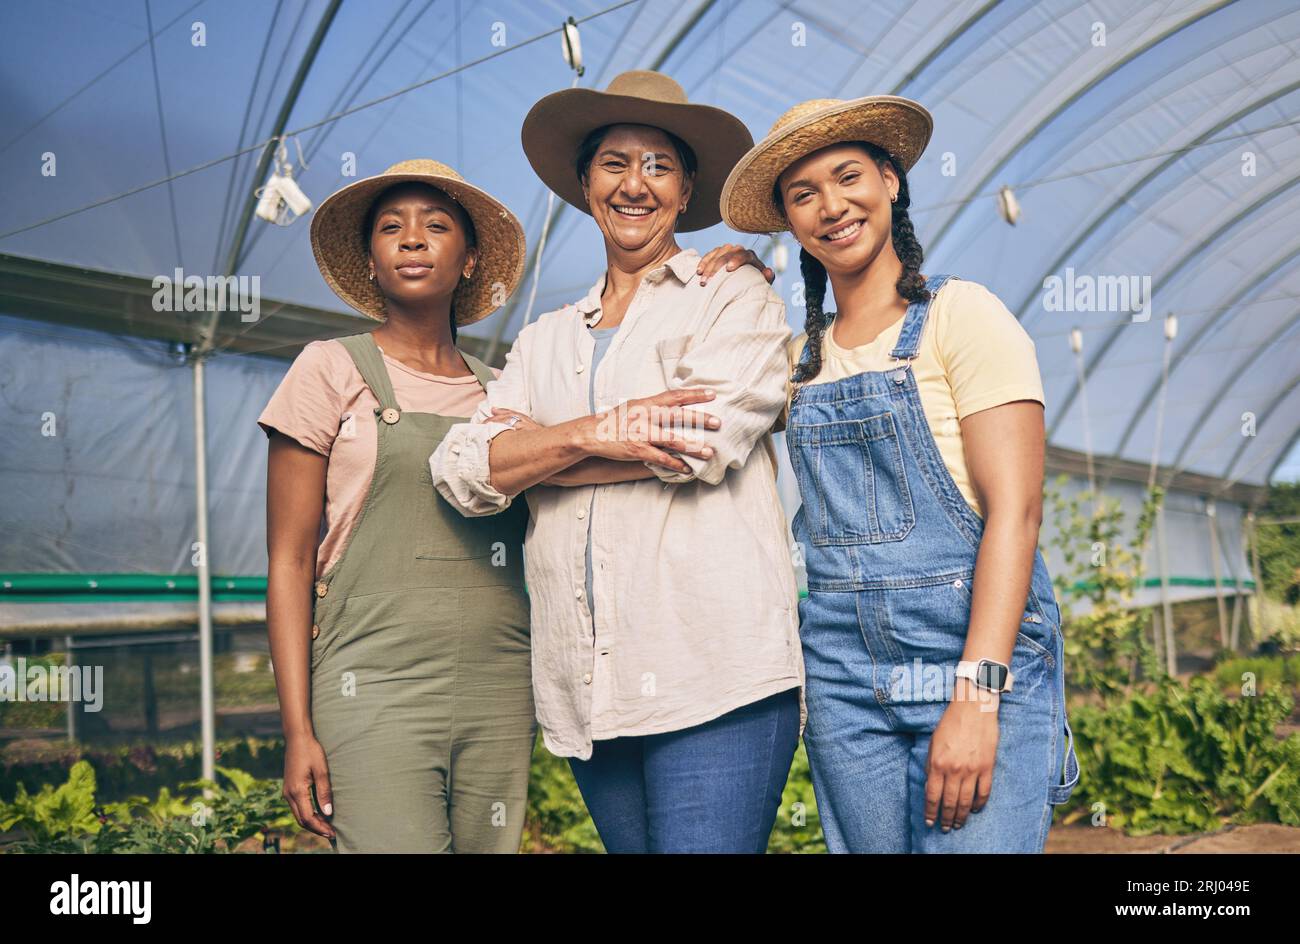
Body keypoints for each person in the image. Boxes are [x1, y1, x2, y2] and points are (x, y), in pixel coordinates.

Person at [430, 71, 803, 853]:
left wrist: (536, 455)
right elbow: (464, 470)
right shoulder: (545, 339)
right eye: (614, 164)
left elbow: (701, 438)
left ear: (686, 187)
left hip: (714, 674)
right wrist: (593, 434)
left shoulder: (730, 295)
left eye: (660, 165)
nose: (636, 185)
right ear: (585, 183)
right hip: (588, 687)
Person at [720, 96, 1080, 852]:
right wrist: (721, 287)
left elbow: (1015, 515)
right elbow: (698, 412)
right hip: (843, 674)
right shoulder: (796, 361)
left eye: (848, 176)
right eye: (802, 194)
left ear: (889, 181)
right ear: (789, 223)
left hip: (970, 655)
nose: (831, 206)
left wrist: (978, 698)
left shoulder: (961, 316)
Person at [260, 159, 534, 853]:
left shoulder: (506, 396)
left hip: (499, 683)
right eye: (392, 228)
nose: (412, 239)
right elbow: (289, 561)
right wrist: (297, 731)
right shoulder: (330, 369)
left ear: (469, 261)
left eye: (435, 226)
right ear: (373, 265)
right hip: (370, 681)